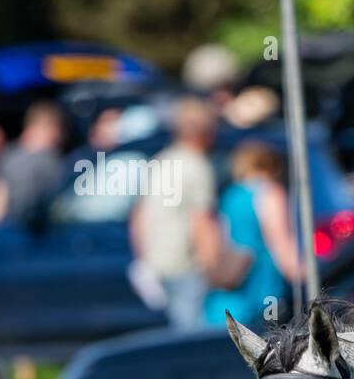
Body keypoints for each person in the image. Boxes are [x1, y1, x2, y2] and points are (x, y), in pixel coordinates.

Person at [129, 97, 218, 330]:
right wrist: (215, 268)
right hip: (188, 266)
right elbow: (203, 221)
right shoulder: (197, 166)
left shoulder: (161, 161)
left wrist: (144, 261)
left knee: (178, 329)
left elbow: (139, 216)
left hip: (159, 264)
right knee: (193, 335)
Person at [200, 141, 300, 327]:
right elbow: (281, 246)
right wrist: (313, 276)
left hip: (229, 295)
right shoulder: (269, 193)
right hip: (262, 290)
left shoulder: (231, 194)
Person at [0, 101, 66, 226]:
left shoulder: (7, 155)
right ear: (52, 127)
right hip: (36, 230)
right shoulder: (49, 158)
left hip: (8, 230)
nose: (62, 135)